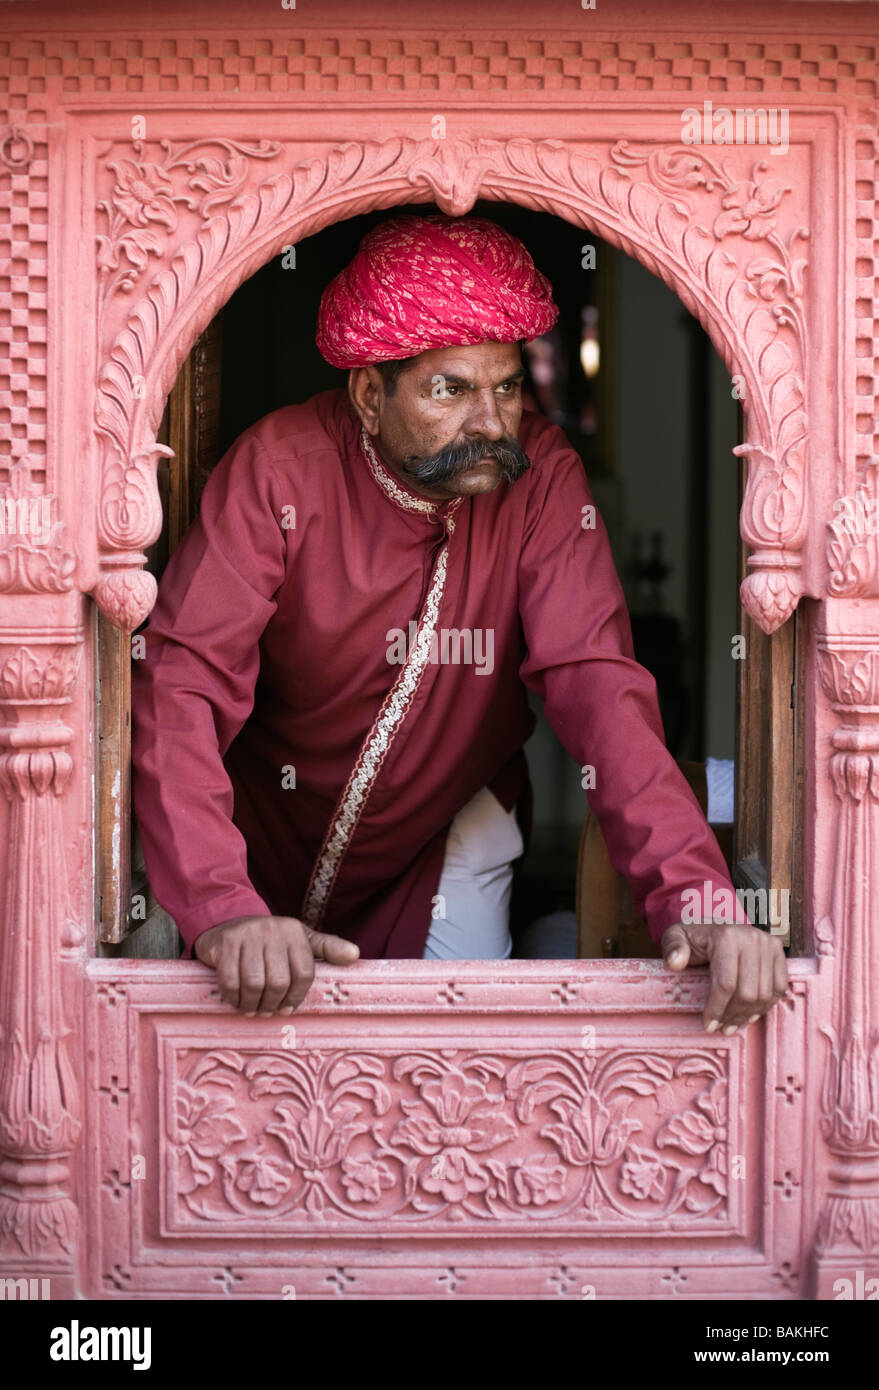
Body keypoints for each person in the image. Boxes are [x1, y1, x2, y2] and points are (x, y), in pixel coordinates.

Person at [130, 213, 787, 1030]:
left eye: (506, 386)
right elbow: (182, 682)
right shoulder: (279, 469)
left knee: (453, 1059)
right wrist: (219, 901)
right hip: (254, 831)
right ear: (370, 394)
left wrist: (695, 893)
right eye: (451, 389)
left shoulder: (541, 478)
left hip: (440, 840)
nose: (490, 422)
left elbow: (597, 688)